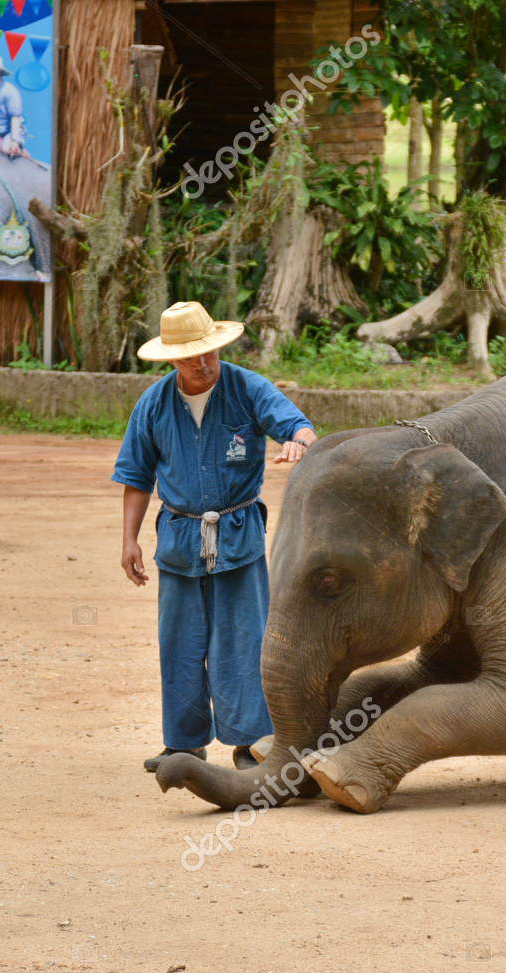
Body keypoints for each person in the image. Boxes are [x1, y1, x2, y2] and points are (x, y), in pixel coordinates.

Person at [112, 302, 317, 774]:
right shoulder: (154, 404)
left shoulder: (248, 389)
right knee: (179, 640)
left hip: (239, 536)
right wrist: (129, 540)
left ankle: (251, 742)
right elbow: (136, 476)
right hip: (181, 539)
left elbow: (297, 425)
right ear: (171, 359)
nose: (202, 364)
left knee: (244, 639)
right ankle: (183, 743)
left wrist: (298, 441)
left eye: (209, 353)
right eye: (190, 357)